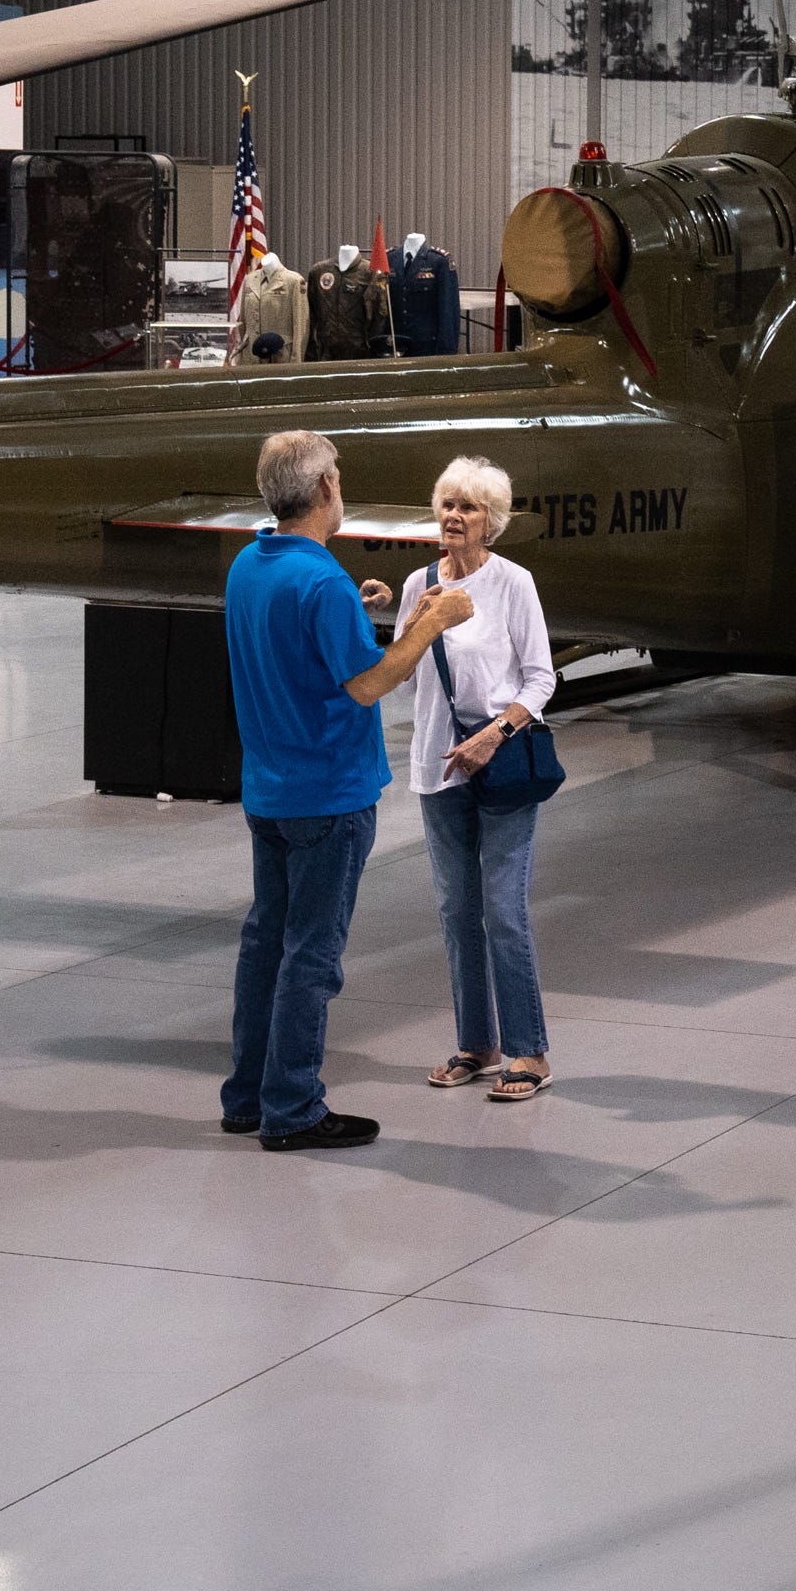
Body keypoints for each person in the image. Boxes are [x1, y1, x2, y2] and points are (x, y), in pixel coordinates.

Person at [220, 428, 470, 1152]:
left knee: (266, 943)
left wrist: (354, 616)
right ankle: (293, 1108)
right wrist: (430, 622)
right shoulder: (320, 579)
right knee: (312, 956)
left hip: (269, 790)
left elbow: (298, 647)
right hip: (328, 796)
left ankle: (247, 1096)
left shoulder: (250, 564)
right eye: (339, 474)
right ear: (324, 487)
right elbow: (368, 683)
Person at [362, 456, 560, 1101]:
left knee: (503, 911)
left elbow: (541, 679)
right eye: (447, 503)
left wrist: (493, 734)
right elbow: (401, 672)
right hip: (438, 766)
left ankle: (529, 1052)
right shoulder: (421, 579)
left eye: (467, 507)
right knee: (456, 910)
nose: (452, 516)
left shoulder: (514, 584)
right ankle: (478, 1044)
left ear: (491, 522)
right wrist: (408, 619)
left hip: (500, 761)